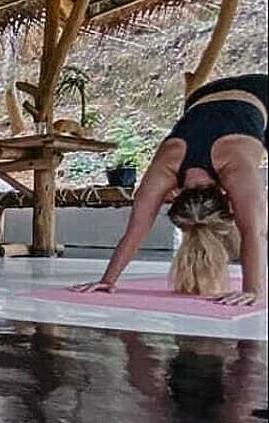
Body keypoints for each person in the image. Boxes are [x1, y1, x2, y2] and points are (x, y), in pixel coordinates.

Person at [73, 73, 268, 306]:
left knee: (255, 216)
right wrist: (107, 280)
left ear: (227, 198)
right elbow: (134, 233)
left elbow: (253, 232)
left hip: (253, 93)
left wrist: (253, 290)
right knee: (254, 213)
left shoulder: (235, 167)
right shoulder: (166, 168)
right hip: (201, 97)